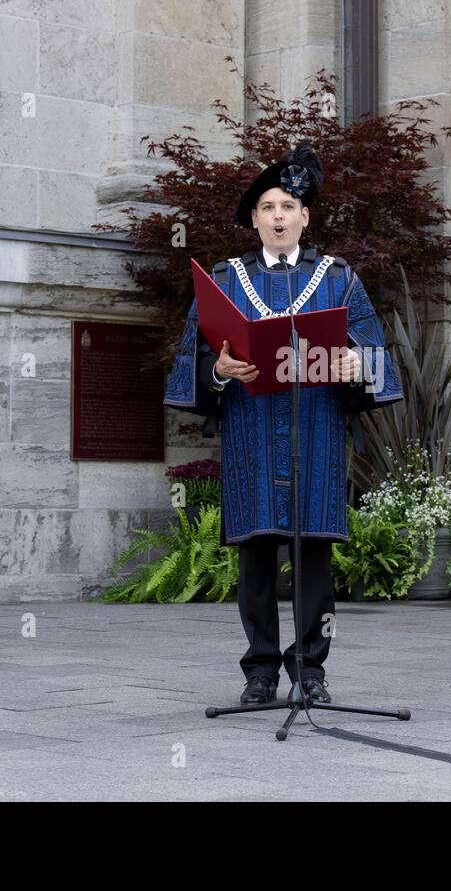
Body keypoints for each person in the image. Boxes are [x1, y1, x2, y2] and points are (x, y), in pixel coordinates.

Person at [164, 142, 401, 706]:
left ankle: (312, 672)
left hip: (316, 433)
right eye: (267, 207)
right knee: (255, 558)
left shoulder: (340, 279)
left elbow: (377, 355)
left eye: (287, 206)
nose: (277, 216)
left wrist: (354, 363)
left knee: (315, 563)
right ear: (254, 218)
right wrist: (217, 370)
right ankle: (261, 672)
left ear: (305, 216)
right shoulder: (224, 278)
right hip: (251, 433)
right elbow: (190, 361)